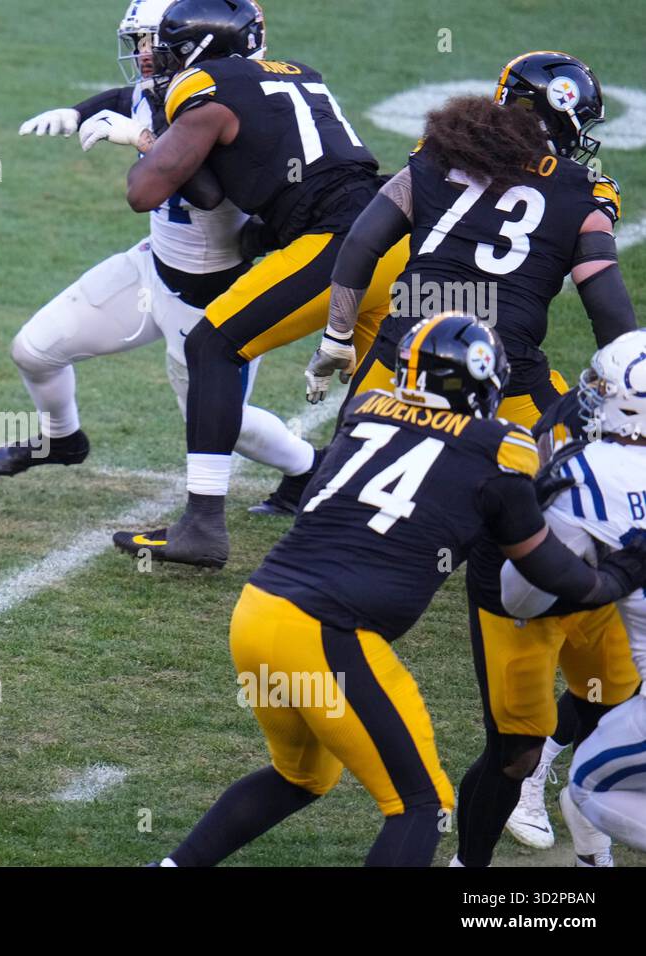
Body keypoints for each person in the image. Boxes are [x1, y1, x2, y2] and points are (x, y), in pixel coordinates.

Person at [155, 314, 646, 866]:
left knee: (301, 776)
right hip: (329, 634)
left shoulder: (365, 412)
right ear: (486, 382)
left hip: (258, 613)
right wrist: (622, 572)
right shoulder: (500, 447)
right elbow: (550, 571)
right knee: (420, 803)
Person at [310, 51, 637, 866]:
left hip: (408, 348)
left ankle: (325, 606)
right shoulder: (583, 192)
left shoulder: (439, 155)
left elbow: (366, 236)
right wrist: (628, 369)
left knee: (346, 479)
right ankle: (543, 641)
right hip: (507, 372)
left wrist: (335, 335)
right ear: (561, 115)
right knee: (554, 497)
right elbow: (601, 290)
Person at [0, 0, 319, 517]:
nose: (144, 55)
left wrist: (141, 139)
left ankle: (307, 468)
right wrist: (78, 113)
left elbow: (205, 191)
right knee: (34, 350)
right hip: (151, 268)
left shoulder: (226, 111)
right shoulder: (163, 88)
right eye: (141, 42)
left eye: (154, 43)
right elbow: (128, 97)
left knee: (222, 425)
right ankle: (62, 438)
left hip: (213, 302)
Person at [112, 0, 409, 569]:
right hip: (392, 236)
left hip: (342, 246)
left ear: (199, 53)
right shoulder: (300, 75)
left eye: (169, 51)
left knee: (212, 344)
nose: (158, 61)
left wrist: (143, 137)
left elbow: (143, 193)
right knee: (393, 405)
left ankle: (201, 525)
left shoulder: (206, 89)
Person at [500, 330, 646, 861]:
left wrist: (602, 581)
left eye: (602, 386)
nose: (590, 392)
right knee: (605, 700)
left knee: (592, 778)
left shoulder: (597, 473)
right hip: (602, 637)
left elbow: (519, 596)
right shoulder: (599, 460)